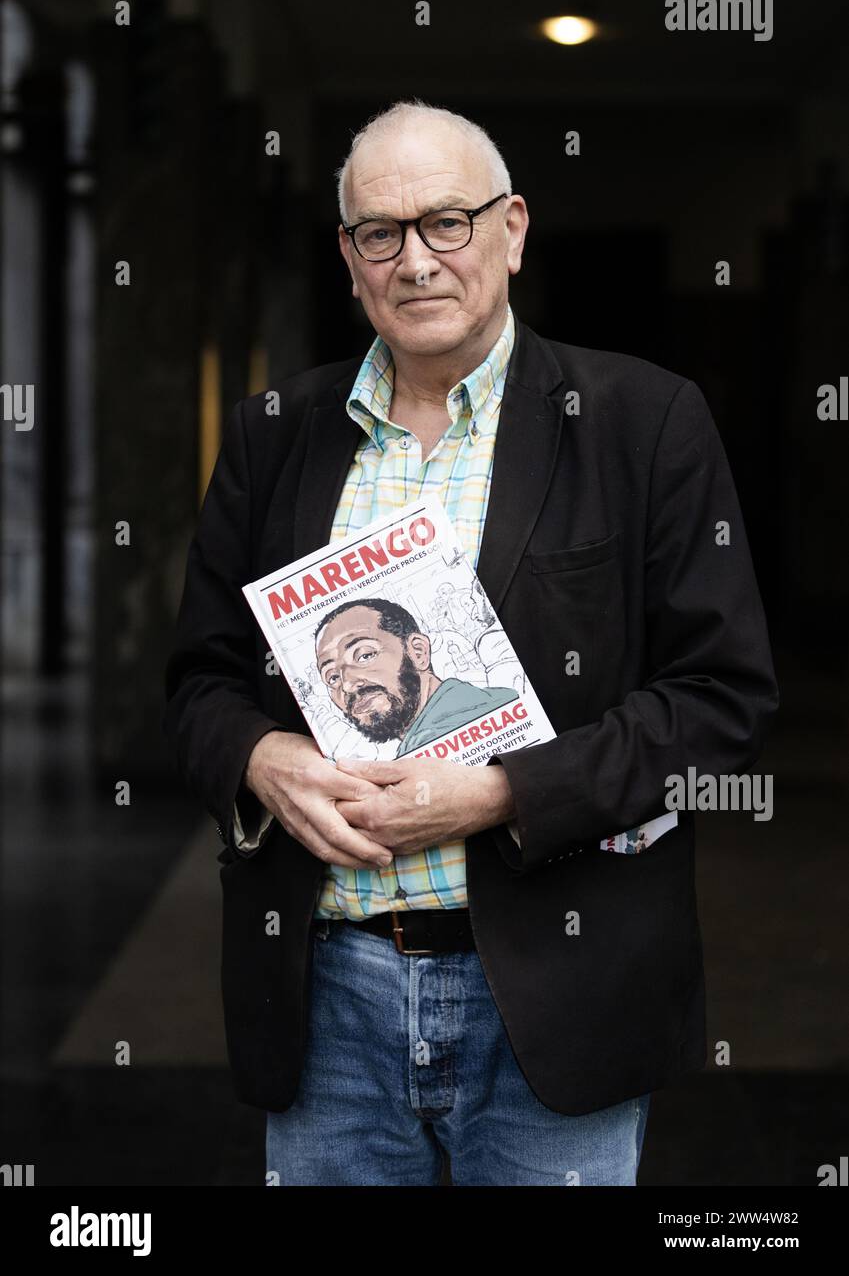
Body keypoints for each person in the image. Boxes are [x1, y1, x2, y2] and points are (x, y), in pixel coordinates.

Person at [163, 98, 779, 1186]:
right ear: (349, 259)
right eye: (380, 232)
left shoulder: (644, 422)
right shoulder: (270, 438)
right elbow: (200, 683)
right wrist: (261, 758)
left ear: (513, 228)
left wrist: (500, 793)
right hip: (328, 1000)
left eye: (448, 221)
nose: (417, 260)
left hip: (561, 990)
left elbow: (720, 699)